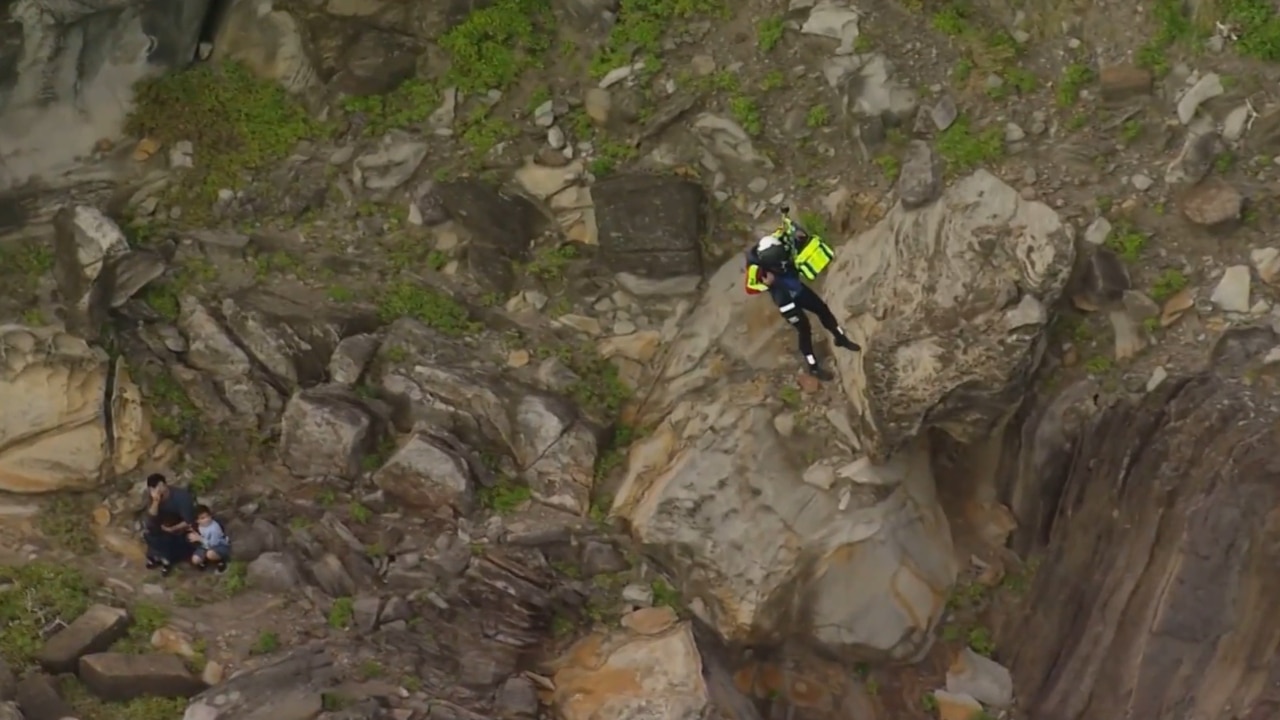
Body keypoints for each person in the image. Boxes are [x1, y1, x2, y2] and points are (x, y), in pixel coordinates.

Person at [745, 207, 860, 380]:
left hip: (798, 290)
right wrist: (768, 284)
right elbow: (750, 287)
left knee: (823, 309)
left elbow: (786, 230)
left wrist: (798, 234)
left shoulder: (778, 241)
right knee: (804, 329)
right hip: (785, 302)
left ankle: (840, 337)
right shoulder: (757, 267)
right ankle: (813, 366)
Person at [144, 473, 197, 576]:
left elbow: (189, 520)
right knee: (150, 531)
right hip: (164, 525)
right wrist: (156, 501)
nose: (158, 490)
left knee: (177, 542)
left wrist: (173, 529)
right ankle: (159, 556)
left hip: (181, 528)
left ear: (164, 485)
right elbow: (151, 516)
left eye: (159, 486)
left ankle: (166, 559)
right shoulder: (153, 497)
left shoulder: (181, 497)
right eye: (154, 488)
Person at [187, 505, 231, 573]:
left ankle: (221, 560)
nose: (207, 519)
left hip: (218, 545)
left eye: (208, 516)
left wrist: (199, 539)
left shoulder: (214, 528)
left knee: (210, 554)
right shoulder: (198, 526)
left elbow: (213, 544)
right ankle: (204, 561)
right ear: (197, 520)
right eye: (203, 518)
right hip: (205, 545)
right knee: (195, 560)